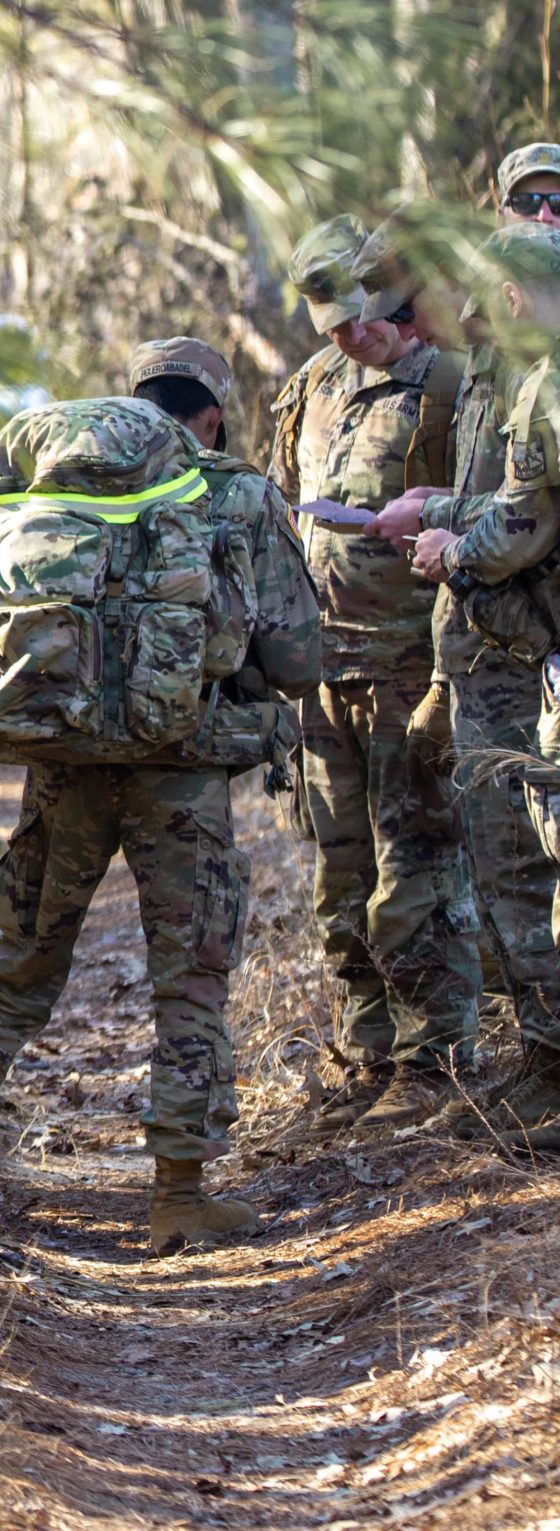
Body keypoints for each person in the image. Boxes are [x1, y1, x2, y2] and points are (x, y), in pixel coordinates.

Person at [0, 347, 320, 1253]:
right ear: (211, 416)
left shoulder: (53, 483)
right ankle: (179, 1193)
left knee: (26, 947)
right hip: (185, 768)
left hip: (63, 762)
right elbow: (297, 661)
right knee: (190, 974)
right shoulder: (237, 493)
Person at [264, 215, 481, 1134]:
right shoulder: (311, 388)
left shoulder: (449, 387)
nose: (353, 342)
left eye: (362, 322)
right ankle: (370, 1050)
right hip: (322, 675)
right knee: (339, 876)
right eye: (334, 329)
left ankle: (436, 1061)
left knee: (420, 872)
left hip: (410, 671)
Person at [396, 222, 560, 1151]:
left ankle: (550, 1066)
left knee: (528, 858)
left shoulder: (544, 385)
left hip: (531, 652)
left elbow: (521, 527)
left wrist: (452, 551)